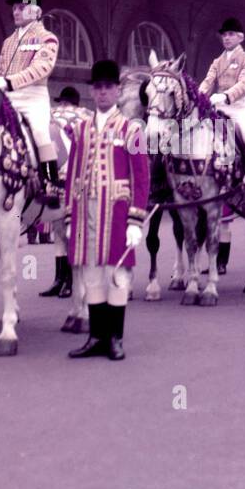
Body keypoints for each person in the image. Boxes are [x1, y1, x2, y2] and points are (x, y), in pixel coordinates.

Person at [65, 60, 149, 360]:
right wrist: (68, 216)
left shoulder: (132, 130)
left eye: (108, 87)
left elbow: (142, 177)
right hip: (86, 211)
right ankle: (96, 337)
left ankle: (115, 338)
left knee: (116, 275)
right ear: (92, 91)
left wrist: (136, 220)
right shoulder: (80, 130)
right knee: (91, 275)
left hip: (117, 213)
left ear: (118, 90)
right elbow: (73, 174)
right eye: (98, 88)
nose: (102, 93)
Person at [0, 0, 61, 204]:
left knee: (41, 133)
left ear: (36, 11)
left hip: (33, 97)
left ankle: (50, 183)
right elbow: (0, 70)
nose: (16, 11)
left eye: (22, 7)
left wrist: (9, 82)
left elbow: (41, 68)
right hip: (7, 96)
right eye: (15, 8)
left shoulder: (48, 38)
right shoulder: (8, 42)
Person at [198, 17, 245, 177]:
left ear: (240, 37)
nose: (226, 38)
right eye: (224, 35)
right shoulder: (217, 61)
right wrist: (198, 96)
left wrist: (226, 96)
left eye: (231, 34)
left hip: (238, 108)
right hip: (219, 107)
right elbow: (208, 81)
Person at [41, 86, 82, 298]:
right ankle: (68, 280)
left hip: (54, 179)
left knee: (59, 231)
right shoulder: (86, 118)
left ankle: (60, 279)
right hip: (76, 179)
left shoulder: (51, 116)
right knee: (70, 230)